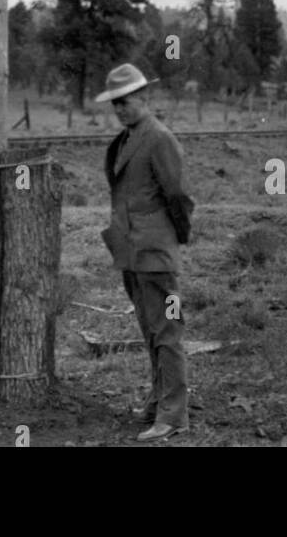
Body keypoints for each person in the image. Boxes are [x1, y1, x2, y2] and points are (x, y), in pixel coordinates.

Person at [96, 63, 195, 441]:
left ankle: (174, 415)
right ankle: (159, 402)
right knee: (151, 333)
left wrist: (173, 239)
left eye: (126, 101)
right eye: (115, 103)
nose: (120, 109)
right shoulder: (127, 138)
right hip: (132, 255)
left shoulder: (158, 138)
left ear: (144, 98)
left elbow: (178, 195)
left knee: (168, 332)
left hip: (155, 255)